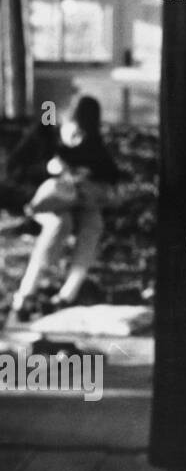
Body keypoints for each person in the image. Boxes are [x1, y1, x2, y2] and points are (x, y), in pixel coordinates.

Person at [7, 95, 121, 320]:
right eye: (74, 132)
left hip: (76, 200)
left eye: (83, 136)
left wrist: (87, 173)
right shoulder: (43, 134)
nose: (77, 140)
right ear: (64, 121)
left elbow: (112, 174)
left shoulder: (91, 141)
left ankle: (65, 296)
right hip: (38, 199)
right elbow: (13, 170)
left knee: (93, 223)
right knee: (61, 222)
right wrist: (47, 169)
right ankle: (25, 296)